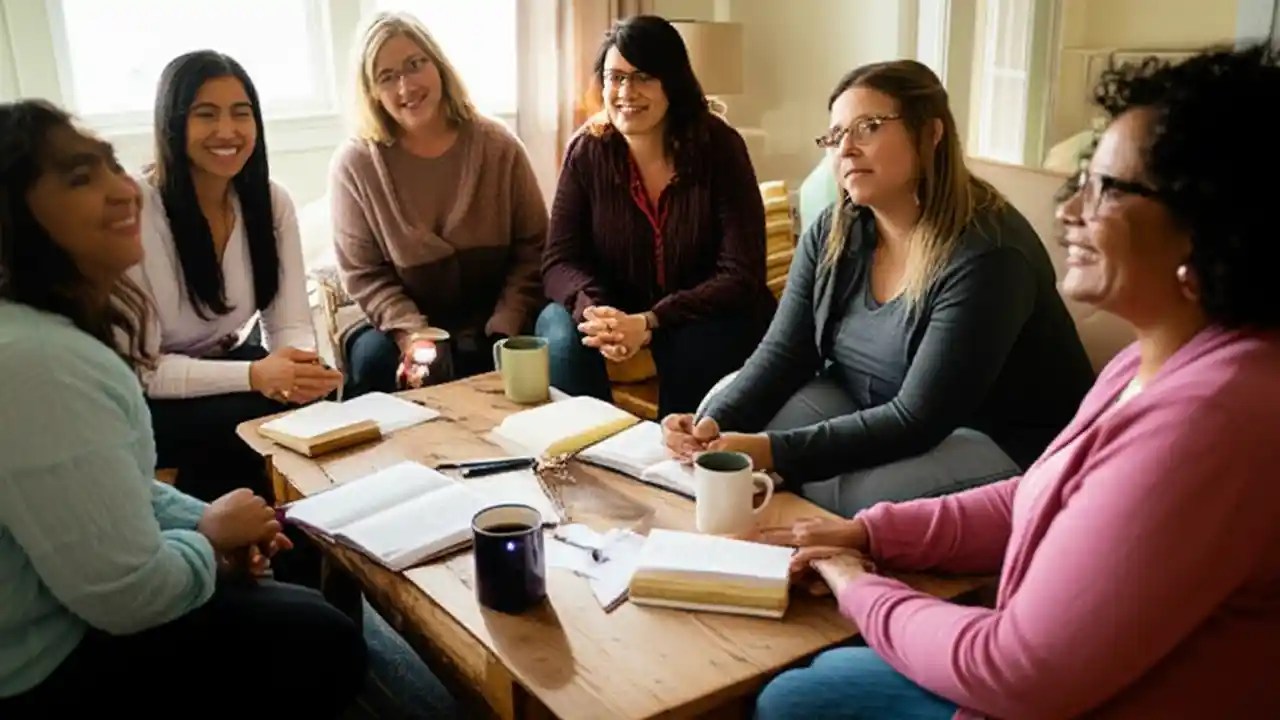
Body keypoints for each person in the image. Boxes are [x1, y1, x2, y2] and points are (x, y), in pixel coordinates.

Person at [753, 43, 1280, 719]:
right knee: (807, 685)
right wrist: (870, 536)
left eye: (1107, 189)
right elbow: (1037, 495)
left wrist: (858, 587)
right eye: (1080, 180)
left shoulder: (1215, 419)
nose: (1069, 211)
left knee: (797, 700)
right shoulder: (1149, 359)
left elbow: (1014, 670)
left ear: (1205, 225)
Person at [0, 99, 366, 716]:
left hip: (72, 606)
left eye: (110, 165)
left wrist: (208, 521)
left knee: (305, 609)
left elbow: (116, 484)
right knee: (320, 639)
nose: (122, 191)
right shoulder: (37, 364)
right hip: (38, 664)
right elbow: (127, 596)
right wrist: (213, 541)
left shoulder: (56, 333)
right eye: (81, 177)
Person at [662, 60, 1094, 517]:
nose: (846, 148)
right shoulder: (834, 230)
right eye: (835, 136)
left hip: (995, 438)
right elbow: (784, 354)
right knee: (724, 399)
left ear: (930, 133)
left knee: (858, 496)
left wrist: (773, 452)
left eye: (867, 127)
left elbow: (918, 419)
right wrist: (711, 426)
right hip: (870, 403)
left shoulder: (989, 253)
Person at [537, 15, 776, 417]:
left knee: (693, 344)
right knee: (557, 329)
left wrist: (651, 321)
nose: (626, 92)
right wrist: (598, 315)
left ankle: (678, 449)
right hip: (615, 306)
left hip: (707, 312)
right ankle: (593, 444)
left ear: (673, 82)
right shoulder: (587, 150)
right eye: (615, 78)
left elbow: (741, 272)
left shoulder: (720, 147)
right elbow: (559, 261)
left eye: (643, 77)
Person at [131, 50, 342, 504]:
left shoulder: (271, 201)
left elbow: (289, 322)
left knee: (311, 402)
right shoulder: (137, 209)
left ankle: (295, 536)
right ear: (173, 123)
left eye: (241, 114)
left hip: (231, 366)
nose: (227, 131)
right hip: (147, 396)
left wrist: (294, 370)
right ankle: (227, 536)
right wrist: (257, 375)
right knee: (247, 420)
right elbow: (145, 371)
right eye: (206, 114)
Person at [332, 10, 547, 395]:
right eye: (387, 77)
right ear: (372, 92)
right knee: (373, 362)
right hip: (399, 324)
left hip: (496, 318)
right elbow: (365, 275)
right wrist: (413, 333)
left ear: (439, 67)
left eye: (415, 65)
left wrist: (508, 321)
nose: (406, 86)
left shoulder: (499, 147)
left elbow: (534, 248)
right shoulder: (356, 165)